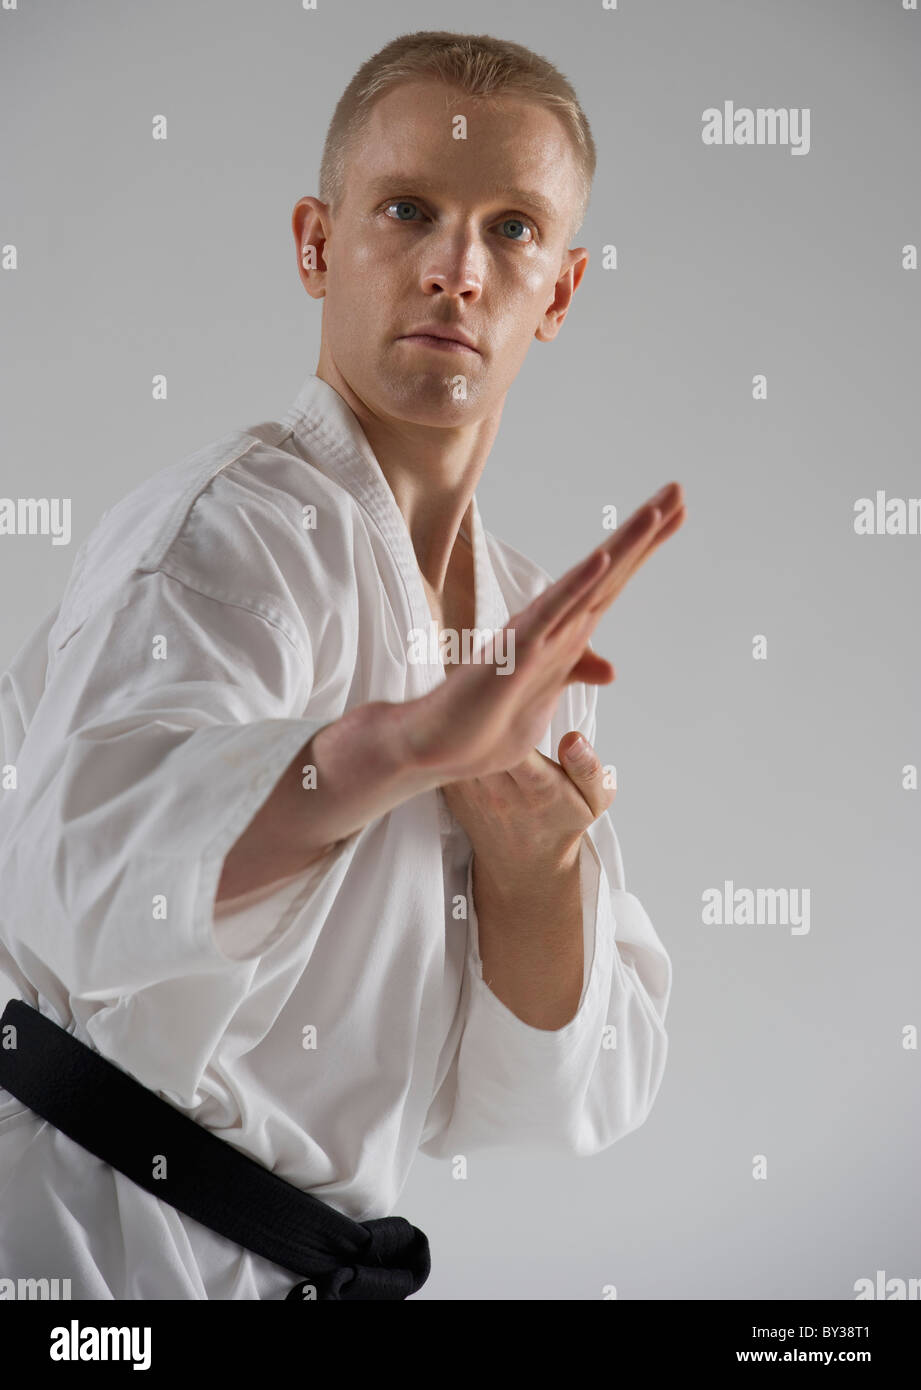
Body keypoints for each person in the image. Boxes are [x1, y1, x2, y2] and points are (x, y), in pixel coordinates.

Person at [0, 30, 685, 1299]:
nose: (457, 269)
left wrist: (535, 876)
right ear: (318, 242)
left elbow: (558, 1100)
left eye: (514, 229)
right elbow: (83, 878)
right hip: (81, 1247)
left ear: (564, 289)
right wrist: (391, 753)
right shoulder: (225, 531)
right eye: (410, 209)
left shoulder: (522, 621)